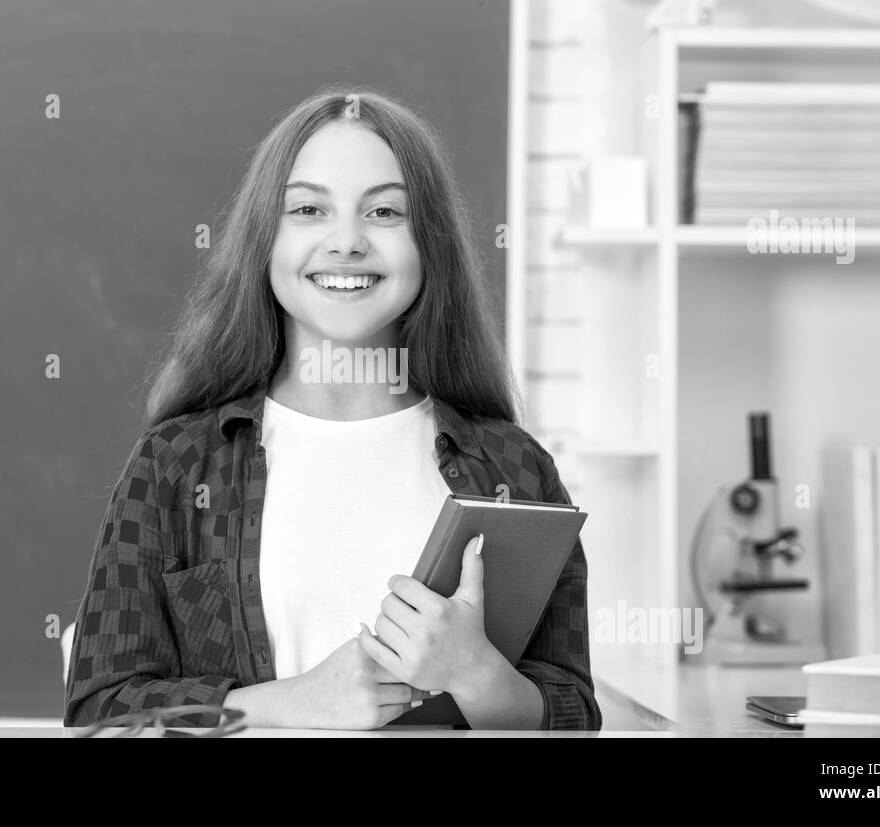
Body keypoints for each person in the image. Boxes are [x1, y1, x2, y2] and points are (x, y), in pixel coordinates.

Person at [64, 88, 600, 731]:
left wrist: (477, 674)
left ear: (428, 245)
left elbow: (574, 716)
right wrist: (287, 704)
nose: (346, 242)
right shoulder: (175, 464)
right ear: (266, 240)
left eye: (384, 212)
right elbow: (100, 713)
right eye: (309, 208)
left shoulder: (512, 466)